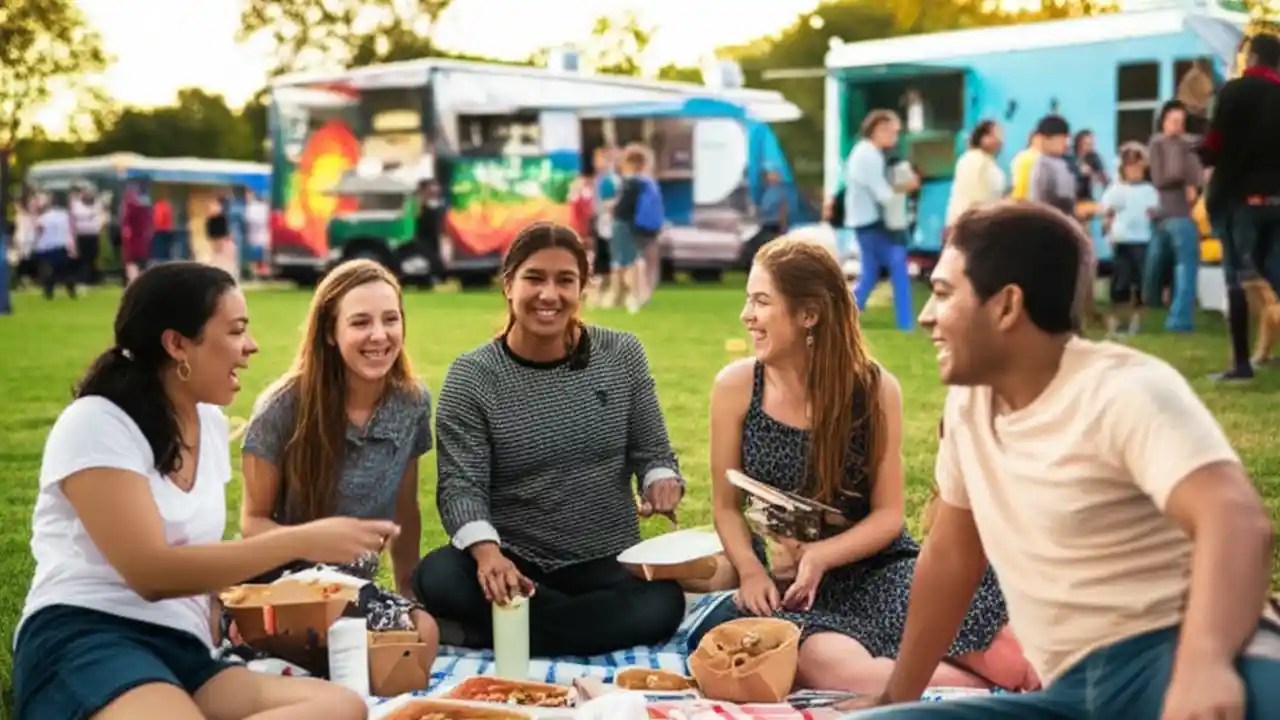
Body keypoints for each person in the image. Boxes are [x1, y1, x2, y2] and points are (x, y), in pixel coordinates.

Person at [847, 202, 1280, 718]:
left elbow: (1235, 519)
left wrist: (1204, 666)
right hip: (1073, 694)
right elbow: (950, 562)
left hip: (1182, 655)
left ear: (1006, 306)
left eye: (943, 294)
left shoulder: (1122, 390)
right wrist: (898, 695)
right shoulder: (968, 407)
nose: (925, 315)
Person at [12, 262, 384, 720]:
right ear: (177, 344)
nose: (251, 347)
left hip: (183, 649)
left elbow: (199, 557)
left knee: (342, 707)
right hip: (90, 636)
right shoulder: (96, 422)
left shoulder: (207, 422)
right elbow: (152, 573)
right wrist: (302, 540)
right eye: (236, 331)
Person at [708, 237, 1034, 695]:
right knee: (830, 669)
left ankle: (1005, 689)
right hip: (792, 589)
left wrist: (821, 555)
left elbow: (888, 516)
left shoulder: (876, 389)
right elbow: (726, 507)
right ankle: (982, 697)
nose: (746, 315)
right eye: (749, 300)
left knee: (1010, 659)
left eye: (761, 302)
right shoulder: (737, 387)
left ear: (809, 314)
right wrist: (750, 571)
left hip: (878, 567)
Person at [412, 222, 686, 657]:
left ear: (582, 289)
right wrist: (487, 555)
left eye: (565, 280)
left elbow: (652, 452)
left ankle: (497, 632)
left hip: (607, 561)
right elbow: (460, 487)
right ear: (508, 285)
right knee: (439, 575)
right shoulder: (472, 378)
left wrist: (660, 479)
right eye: (534, 278)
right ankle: (567, 625)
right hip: (513, 562)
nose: (549, 295)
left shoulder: (622, 355)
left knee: (663, 602)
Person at [240, 259, 438, 651]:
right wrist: (313, 541)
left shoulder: (412, 404)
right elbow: (252, 524)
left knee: (425, 632)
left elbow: (405, 510)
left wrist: (407, 590)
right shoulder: (282, 407)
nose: (379, 336)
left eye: (390, 319)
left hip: (355, 589)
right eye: (360, 322)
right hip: (282, 585)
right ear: (330, 332)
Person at [1200, 33, 1280, 381]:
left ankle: (1241, 365)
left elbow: (1214, 145)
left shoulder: (1234, 93)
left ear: (1252, 57)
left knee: (1237, 279)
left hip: (1238, 198)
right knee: (1273, 275)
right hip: (1277, 201)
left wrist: (1201, 151)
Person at [846, 109, 921, 331]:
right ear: (876, 130)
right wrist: (907, 186)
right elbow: (883, 194)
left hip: (868, 221)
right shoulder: (868, 155)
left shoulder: (868, 153)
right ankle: (906, 322)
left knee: (871, 273)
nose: (894, 137)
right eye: (890, 131)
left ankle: (843, 312)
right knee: (897, 263)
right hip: (871, 222)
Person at [1146, 100, 1204, 332]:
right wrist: (1186, 180)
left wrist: (1194, 182)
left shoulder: (1190, 144)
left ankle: (1160, 308)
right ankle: (1179, 319)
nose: (1178, 126)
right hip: (1172, 211)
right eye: (1173, 121)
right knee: (1185, 264)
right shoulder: (1159, 143)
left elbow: (1200, 173)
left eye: (1181, 121)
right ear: (1164, 122)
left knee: (1169, 261)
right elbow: (1161, 178)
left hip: (1181, 211)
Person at [1098, 143, 1160, 337]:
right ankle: (1118, 318)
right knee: (1120, 282)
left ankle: (1136, 319)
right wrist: (1107, 225)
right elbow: (1107, 211)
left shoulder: (1149, 190)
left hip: (1141, 241)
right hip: (1121, 240)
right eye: (1130, 166)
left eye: (1137, 166)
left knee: (1140, 282)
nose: (1134, 170)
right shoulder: (1117, 190)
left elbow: (1154, 212)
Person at [945, 120, 1006, 233]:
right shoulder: (973, 160)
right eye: (995, 136)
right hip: (969, 225)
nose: (1000, 141)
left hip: (982, 223)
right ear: (982, 138)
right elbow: (975, 196)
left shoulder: (988, 162)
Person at [31, 191, 78, 300]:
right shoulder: (65, 215)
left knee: (48, 271)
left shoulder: (44, 217)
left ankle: (48, 292)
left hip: (47, 247)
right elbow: (71, 230)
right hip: (62, 245)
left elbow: (39, 229)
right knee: (65, 272)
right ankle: (71, 291)